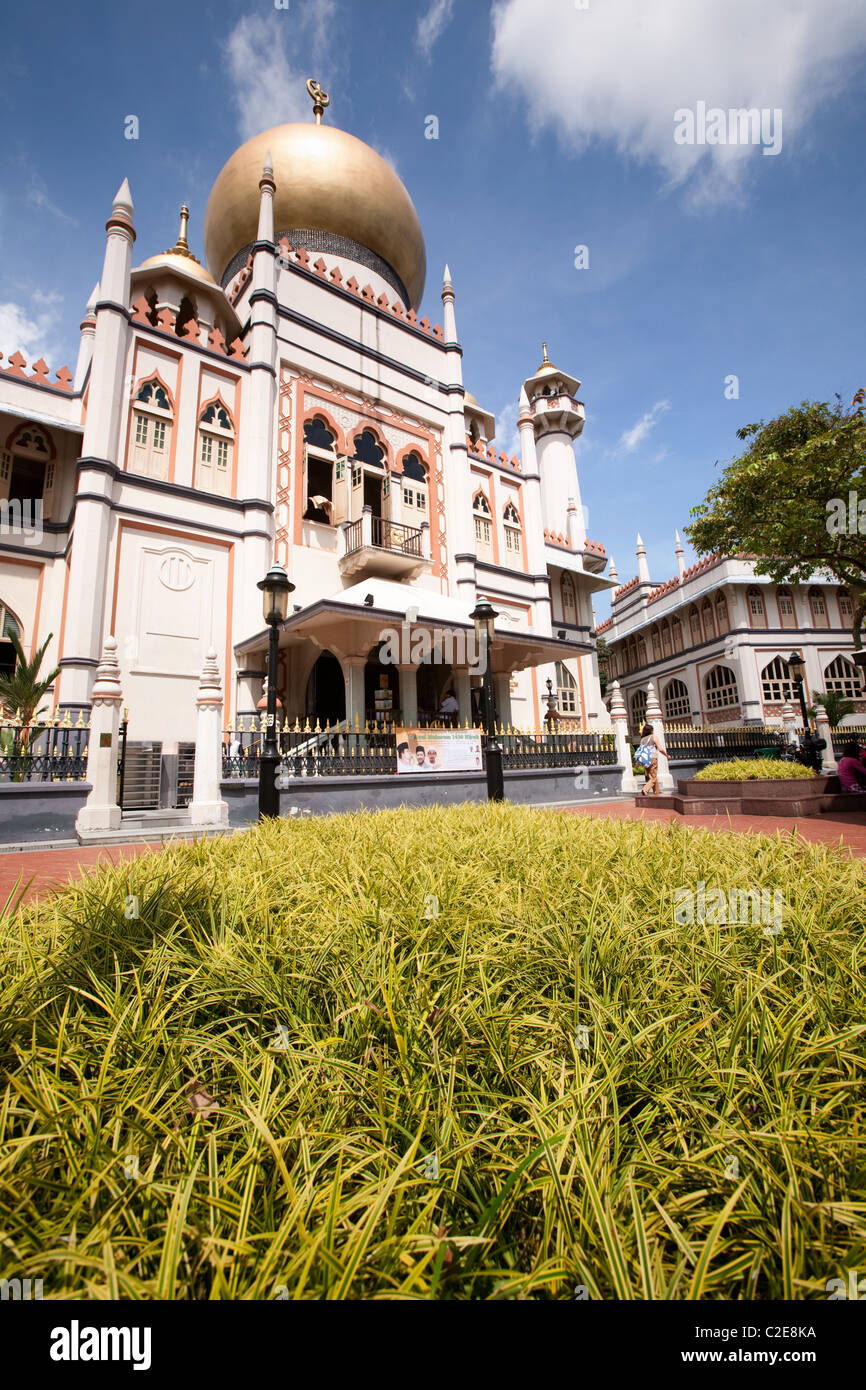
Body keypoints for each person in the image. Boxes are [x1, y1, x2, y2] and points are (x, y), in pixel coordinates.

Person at [635, 722, 668, 796]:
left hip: (645, 760)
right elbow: (660, 749)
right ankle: (645, 789)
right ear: (651, 730)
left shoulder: (642, 740)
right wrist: (666, 755)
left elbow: (640, 752)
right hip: (652, 758)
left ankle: (657, 792)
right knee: (653, 777)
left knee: (652, 776)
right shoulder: (653, 737)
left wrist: (637, 763)